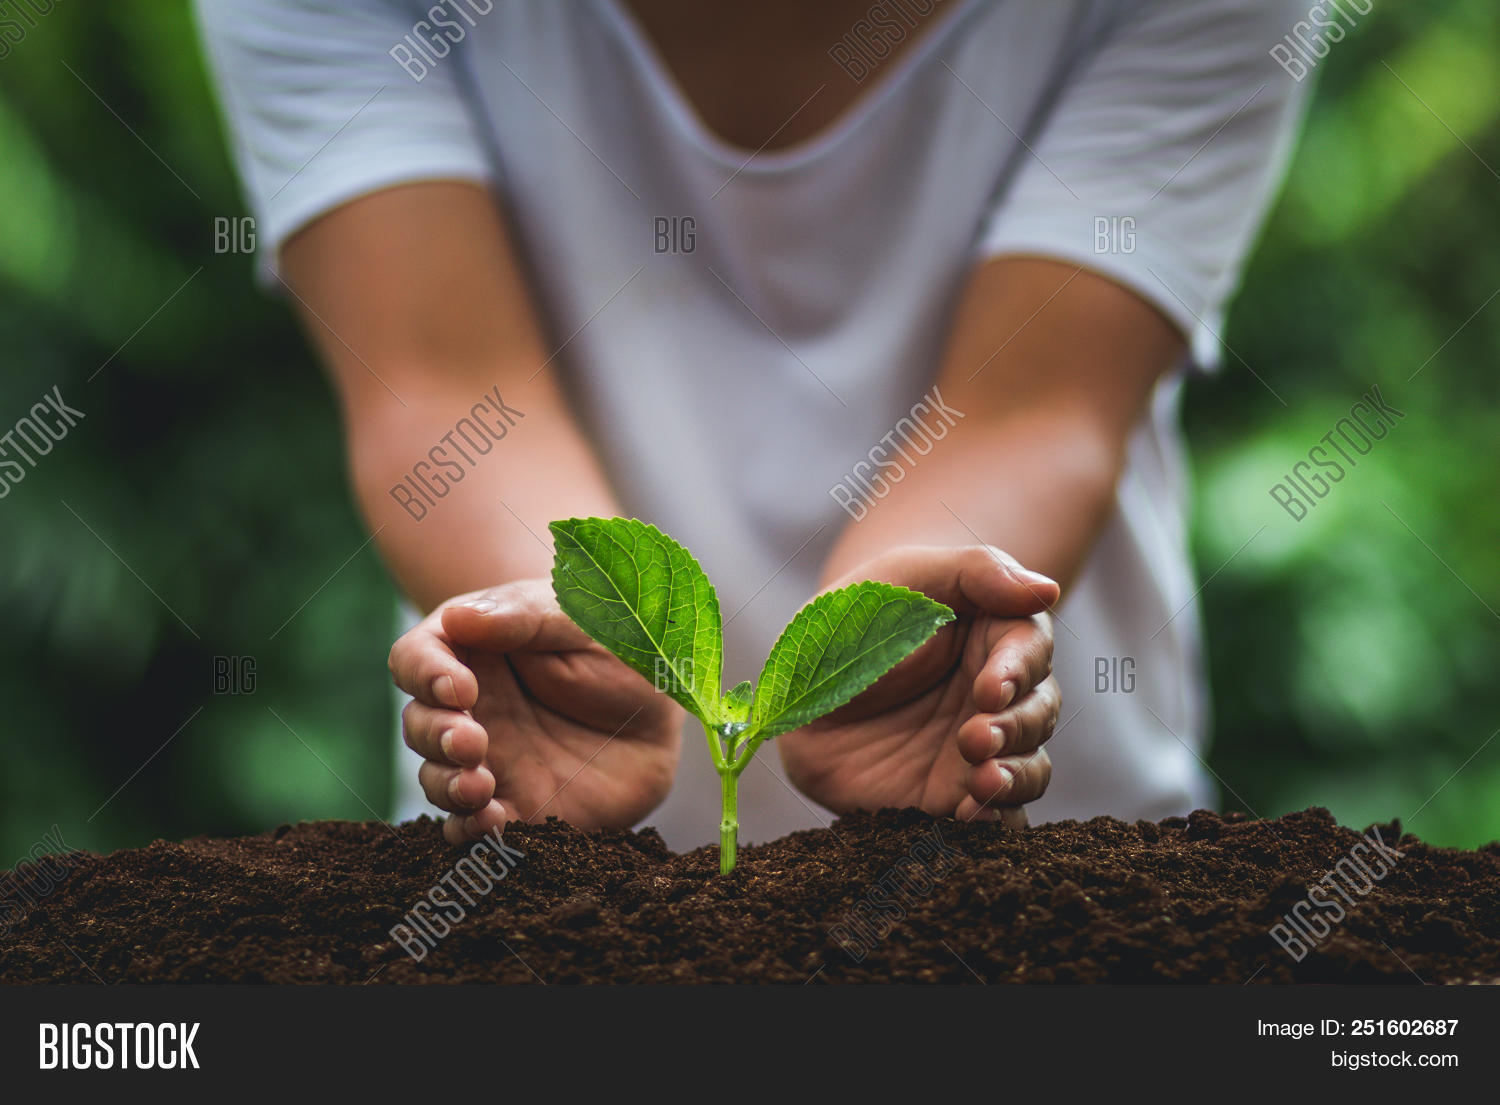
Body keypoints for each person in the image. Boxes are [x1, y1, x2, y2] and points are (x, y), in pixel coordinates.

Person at [195, 0, 1308, 850]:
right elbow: (443, 389)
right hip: (547, 882)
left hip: (1040, 876)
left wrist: (885, 654)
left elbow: (1035, 411)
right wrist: (574, 632)